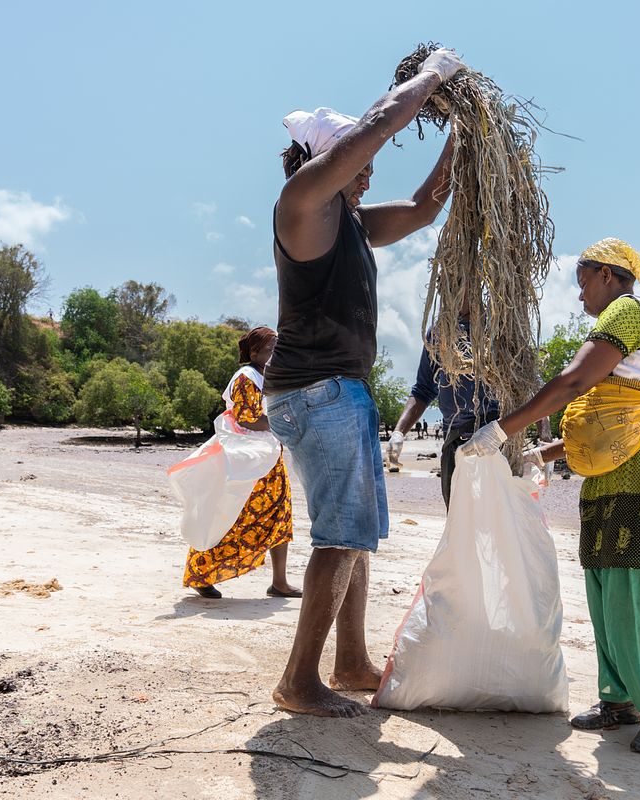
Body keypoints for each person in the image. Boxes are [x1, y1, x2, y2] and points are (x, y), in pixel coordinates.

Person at [261, 48, 467, 718]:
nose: (370, 166)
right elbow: (377, 127)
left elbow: (422, 207)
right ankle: (300, 680)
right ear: (323, 160)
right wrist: (431, 75)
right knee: (342, 534)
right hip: (318, 390)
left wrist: (463, 136)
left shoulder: (348, 219)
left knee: (356, 531)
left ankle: (350, 661)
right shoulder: (303, 202)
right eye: (355, 158)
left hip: (337, 391)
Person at [462, 238, 640, 755]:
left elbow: (573, 383)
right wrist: (544, 455)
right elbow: (607, 421)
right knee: (607, 583)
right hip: (617, 467)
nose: (579, 297)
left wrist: (503, 431)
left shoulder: (629, 312)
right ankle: (618, 700)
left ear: (607, 275)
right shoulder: (618, 320)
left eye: (582, 283)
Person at [183, 326, 301, 600]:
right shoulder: (246, 378)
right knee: (231, 515)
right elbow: (247, 418)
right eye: (271, 350)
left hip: (268, 458)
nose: (275, 355)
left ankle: (279, 583)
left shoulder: (266, 377)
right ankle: (200, 573)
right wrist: (287, 423)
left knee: (279, 515)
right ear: (254, 352)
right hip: (248, 461)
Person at [390, 300, 502, 508]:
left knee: (499, 523)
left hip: (497, 440)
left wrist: (544, 438)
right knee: (459, 524)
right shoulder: (439, 333)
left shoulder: (500, 326)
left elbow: (526, 382)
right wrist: (398, 433)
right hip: (455, 442)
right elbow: (423, 389)